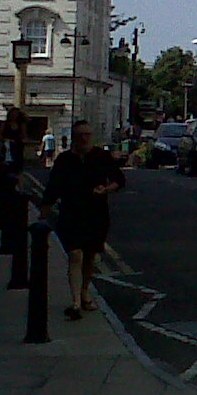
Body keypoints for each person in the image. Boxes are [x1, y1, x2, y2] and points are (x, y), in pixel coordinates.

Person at [40, 120, 125, 321]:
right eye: (80, 135)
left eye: (87, 134)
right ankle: (76, 302)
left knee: (90, 257)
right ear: (74, 138)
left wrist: (106, 189)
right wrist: (43, 213)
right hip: (71, 213)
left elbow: (119, 180)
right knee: (75, 255)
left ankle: (85, 291)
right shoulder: (64, 160)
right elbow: (53, 188)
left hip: (96, 213)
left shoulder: (101, 157)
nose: (84, 138)